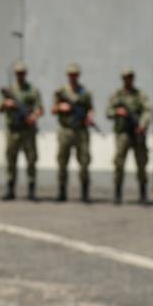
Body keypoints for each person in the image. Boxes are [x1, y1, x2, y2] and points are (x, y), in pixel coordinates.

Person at [106, 68, 153, 204]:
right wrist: (117, 112)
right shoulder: (117, 95)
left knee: (141, 164)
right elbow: (108, 112)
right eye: (126, 77)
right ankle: (117, 193)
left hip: (137, 133)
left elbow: (148, 111)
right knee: (119, 163)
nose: (128, 79)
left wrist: (142, 125)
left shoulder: (140, 95)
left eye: (130, 77)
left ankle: (143, 193)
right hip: (122, 134)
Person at [0, 62, 44, 201]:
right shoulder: (10, 90)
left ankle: (31, 190)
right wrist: (6, 104)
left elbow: (40, 108)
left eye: (22, 73)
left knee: (31, 160)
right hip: (13, 131)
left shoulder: (32, 90)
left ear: (26, 74)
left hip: (28, 131)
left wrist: (33, 116)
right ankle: (10, 189)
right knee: (11, 160)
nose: (20, 75)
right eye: (18, 73)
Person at [52, 63, 96, 202]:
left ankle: (84, 192)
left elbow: (91, 109)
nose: (73, 77)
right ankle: (62, 191)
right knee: (62, 162)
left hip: (81, 131)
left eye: (75, 74)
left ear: (78, 75)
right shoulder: (61, 91)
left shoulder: (85, 92)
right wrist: (60, 107)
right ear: (67, 76)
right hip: (65, 130)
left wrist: (90, 117)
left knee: (84, 162)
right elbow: (52, 109)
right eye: (71, 74)